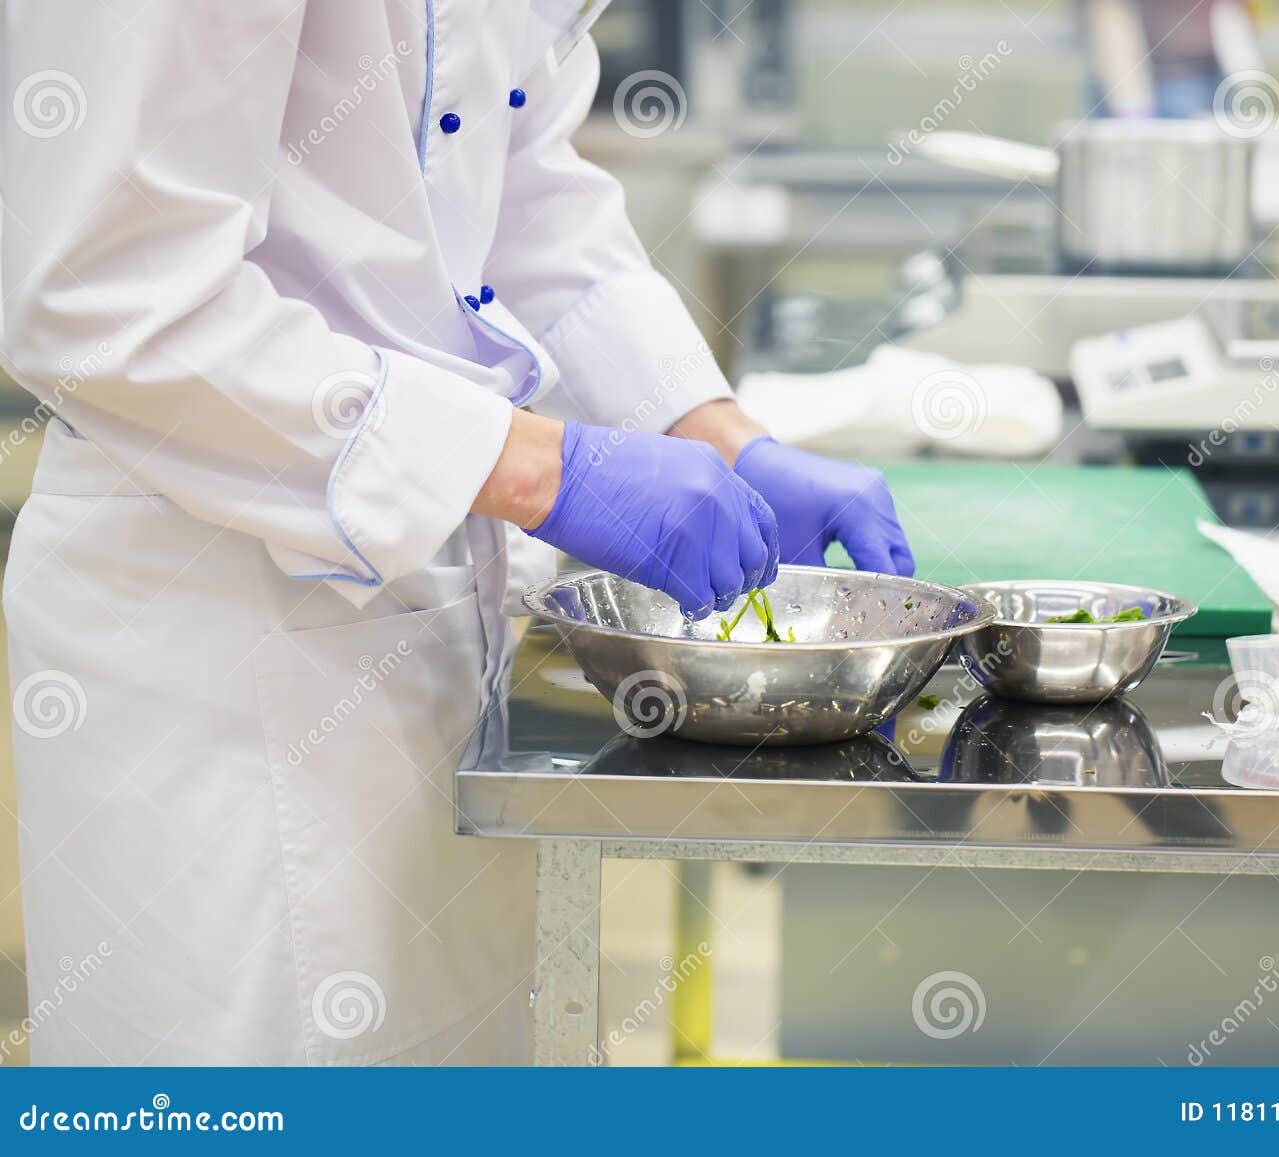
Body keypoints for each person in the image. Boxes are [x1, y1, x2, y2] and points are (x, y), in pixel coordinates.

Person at [0, 1, 911, 1064]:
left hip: (435, 612)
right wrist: (534, 465)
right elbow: (105, 297)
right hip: (209, 630)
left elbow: (513, 177)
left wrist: (709, 430)